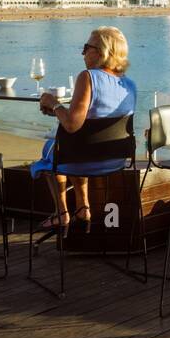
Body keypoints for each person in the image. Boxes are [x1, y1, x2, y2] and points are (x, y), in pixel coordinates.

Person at [32, 27, 138, 234]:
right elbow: (93, 120)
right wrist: (60, 111)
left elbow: (72, 125)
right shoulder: (129, 84)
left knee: (51, 149)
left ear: (100, 51)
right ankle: (83, 209)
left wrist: (53, 103)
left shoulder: (88, 77)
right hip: (115, 160)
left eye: (85, 47)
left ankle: (62, 213)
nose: (82, 53)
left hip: (82, 159)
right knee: (75, 149)